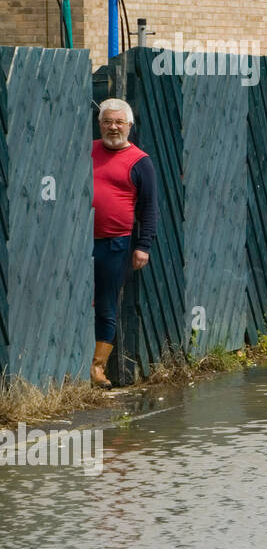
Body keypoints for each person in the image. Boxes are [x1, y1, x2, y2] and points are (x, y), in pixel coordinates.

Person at [91, 99, 158, 388]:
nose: (113, 127)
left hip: (115, 243)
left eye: (119, 122)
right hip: (78, 242)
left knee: (105, 302)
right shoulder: (89, 150)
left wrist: (143, 245)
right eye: (108, 121)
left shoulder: (140, 162)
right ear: (100, 123)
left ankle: (97, 369)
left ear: (129, 126)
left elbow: (150, 208)